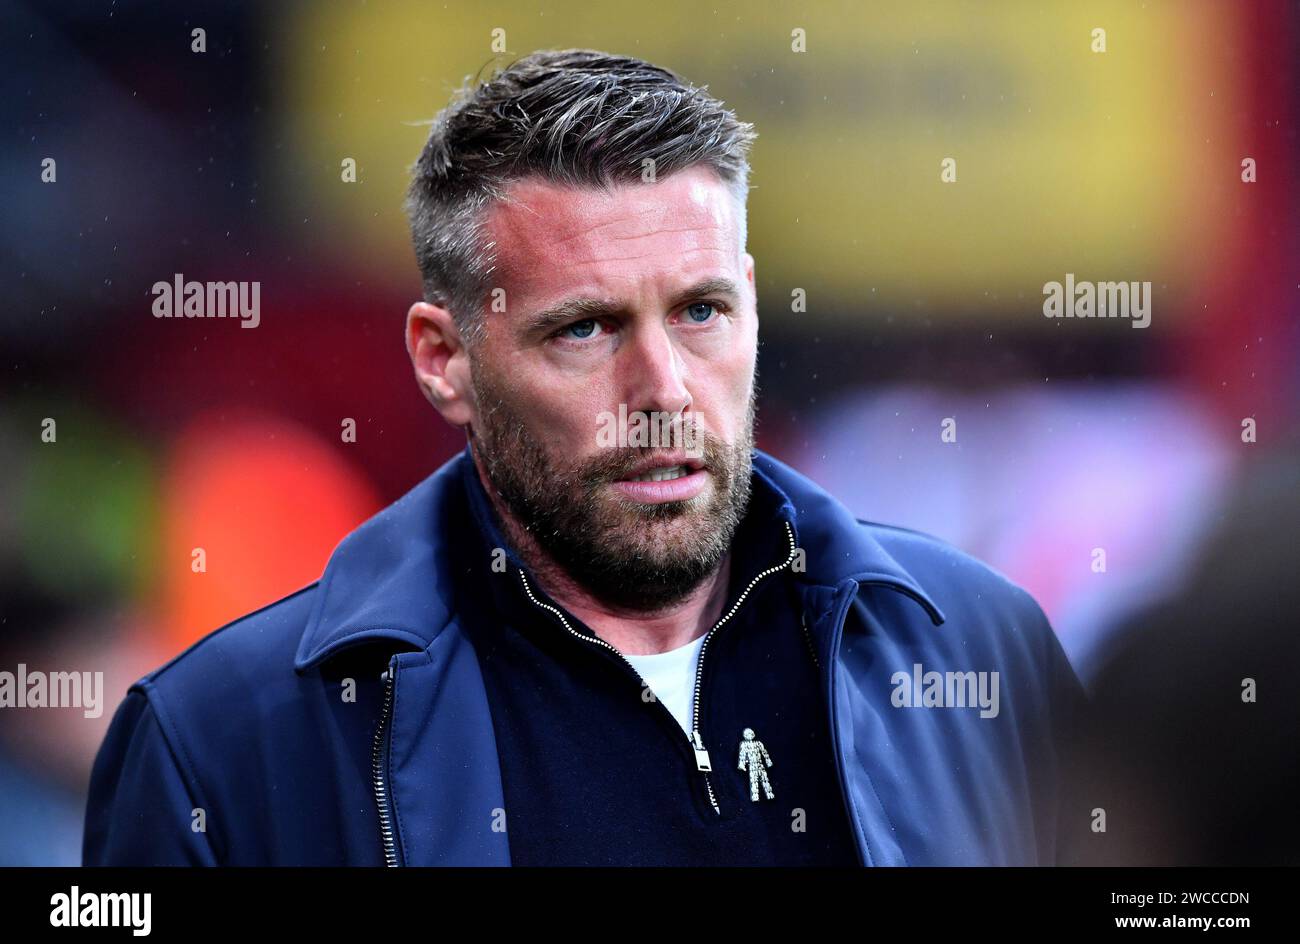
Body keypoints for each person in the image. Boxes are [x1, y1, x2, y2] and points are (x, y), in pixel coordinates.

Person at [84, 49, 1086, 866]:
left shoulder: (975, 647)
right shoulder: (225, 740)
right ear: (445, 361)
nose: (663, 387)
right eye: (586, 329)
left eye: (700, 312)